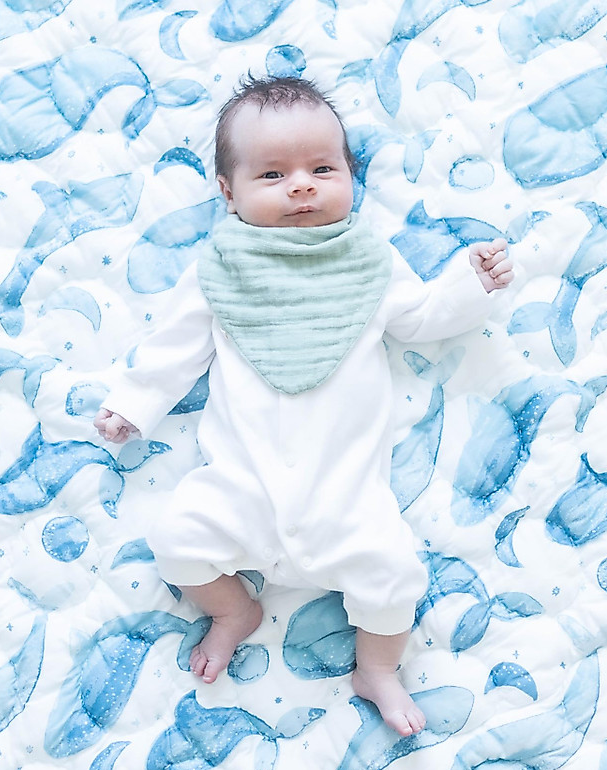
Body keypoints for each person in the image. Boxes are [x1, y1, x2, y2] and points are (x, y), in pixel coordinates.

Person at [95, 74, 514, 735]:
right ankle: (233, 610)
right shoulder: (222, 266)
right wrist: (135, 402)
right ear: (228, 193)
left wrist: (471, 284)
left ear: (350, 176)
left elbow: (423, 316)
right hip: (239, 488)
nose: (301, 186)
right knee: (175, 542)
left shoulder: (367, 261)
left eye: (322, 169)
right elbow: (174, 345)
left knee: (395, 576)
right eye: (273, 174)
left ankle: (377, 668)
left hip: (345, 498)